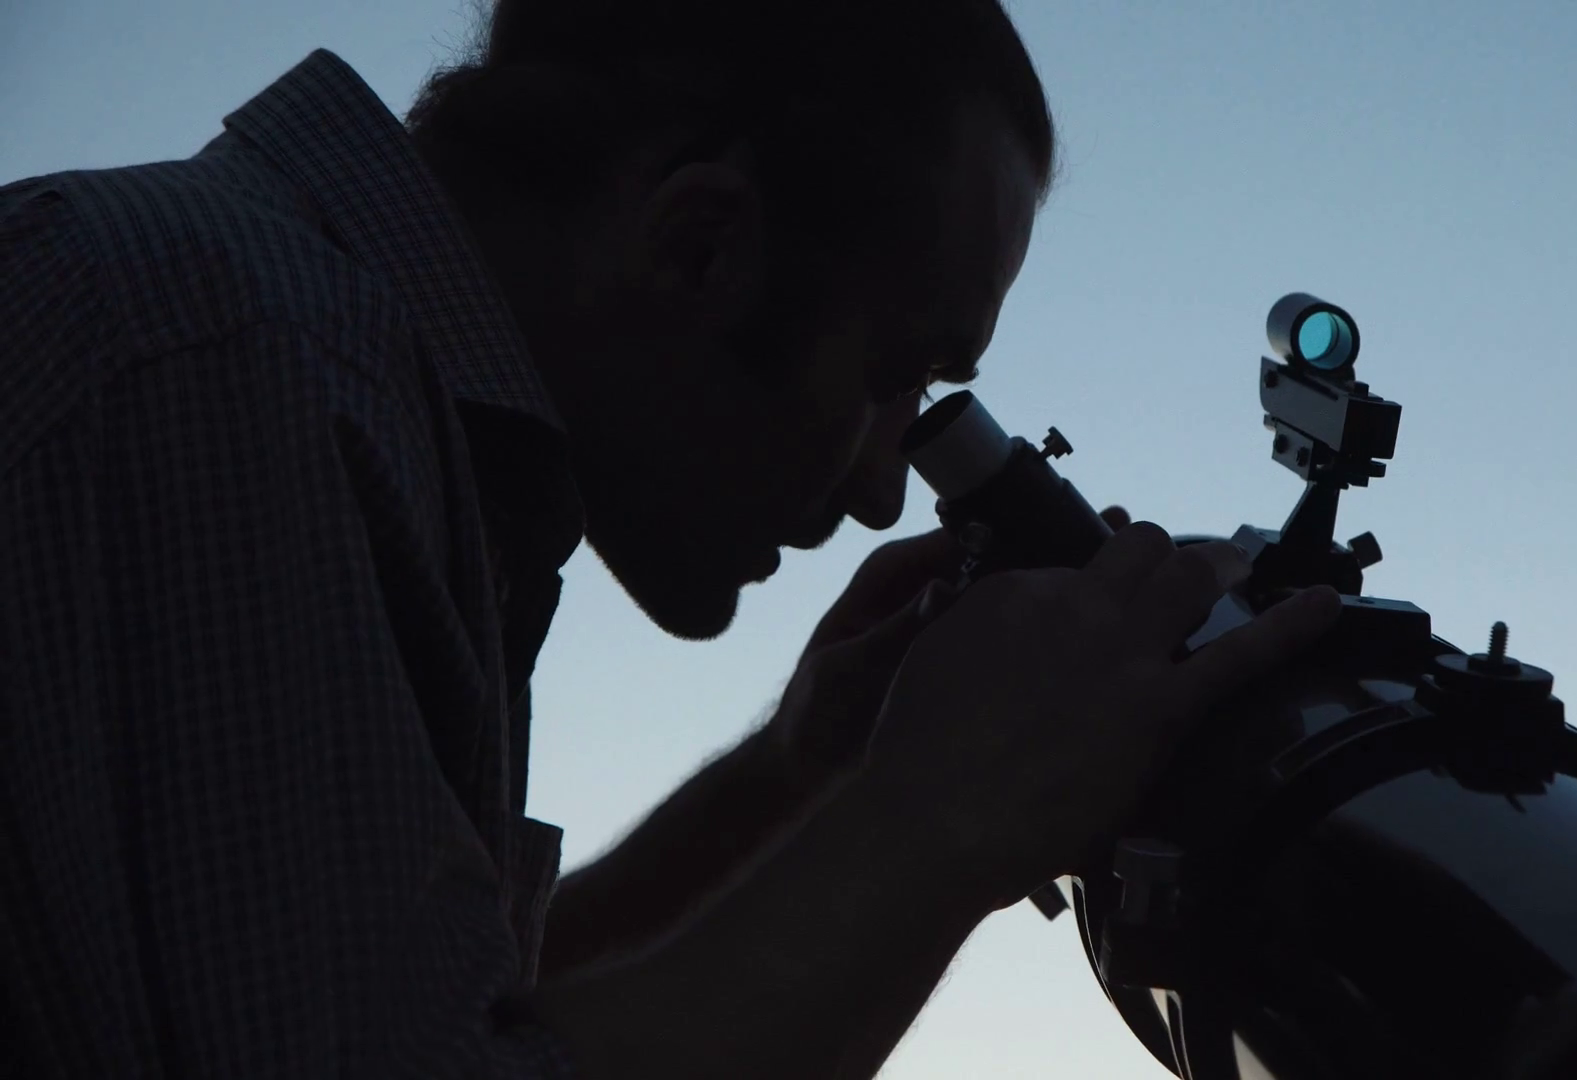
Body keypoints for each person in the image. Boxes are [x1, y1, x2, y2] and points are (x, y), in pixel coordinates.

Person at [0, 1, 1342, 1076]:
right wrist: (949, 811)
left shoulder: (337, 388)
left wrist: (801, 772)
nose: (886, 490)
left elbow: (477, 1024)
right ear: (697, 244)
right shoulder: (230, 371)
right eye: (895, 374)